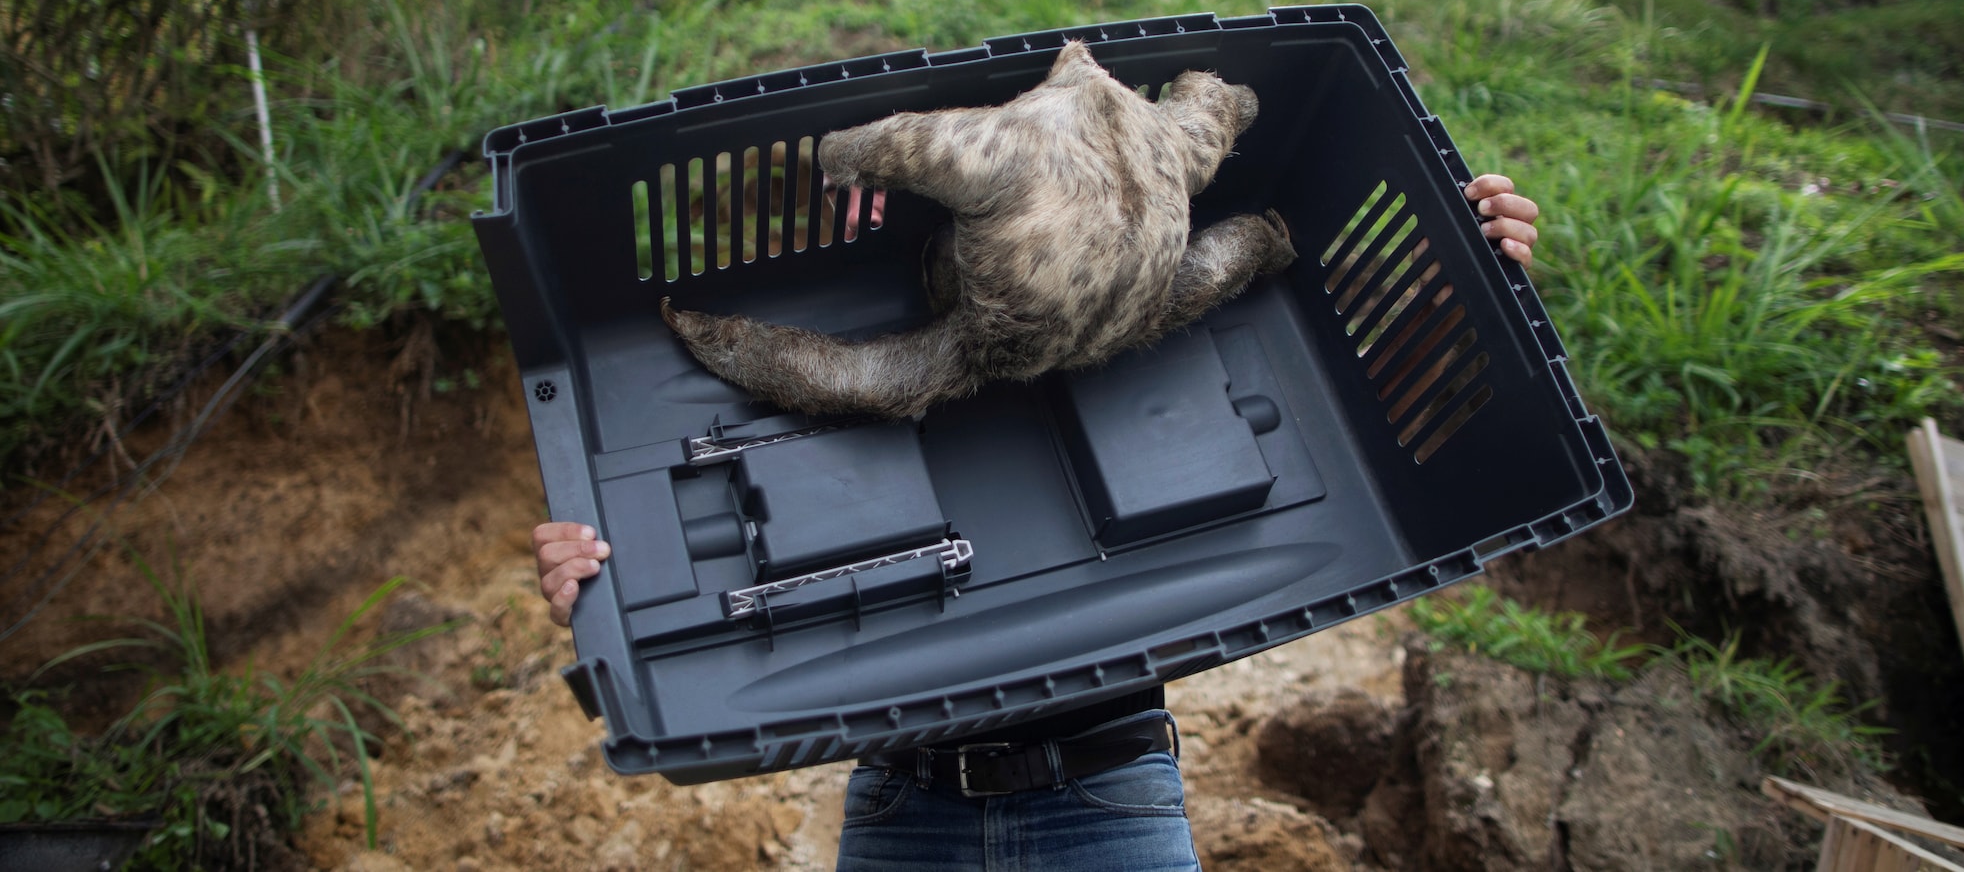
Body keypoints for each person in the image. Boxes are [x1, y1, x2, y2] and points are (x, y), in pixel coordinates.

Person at [532, 174, 1541, 871]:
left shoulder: (1115, 299)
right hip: (899, 808)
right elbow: (666, 486)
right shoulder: (848, 367)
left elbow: (1337, 398)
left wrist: (1453, 266)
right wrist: (600, 584)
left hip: (1107, 801)